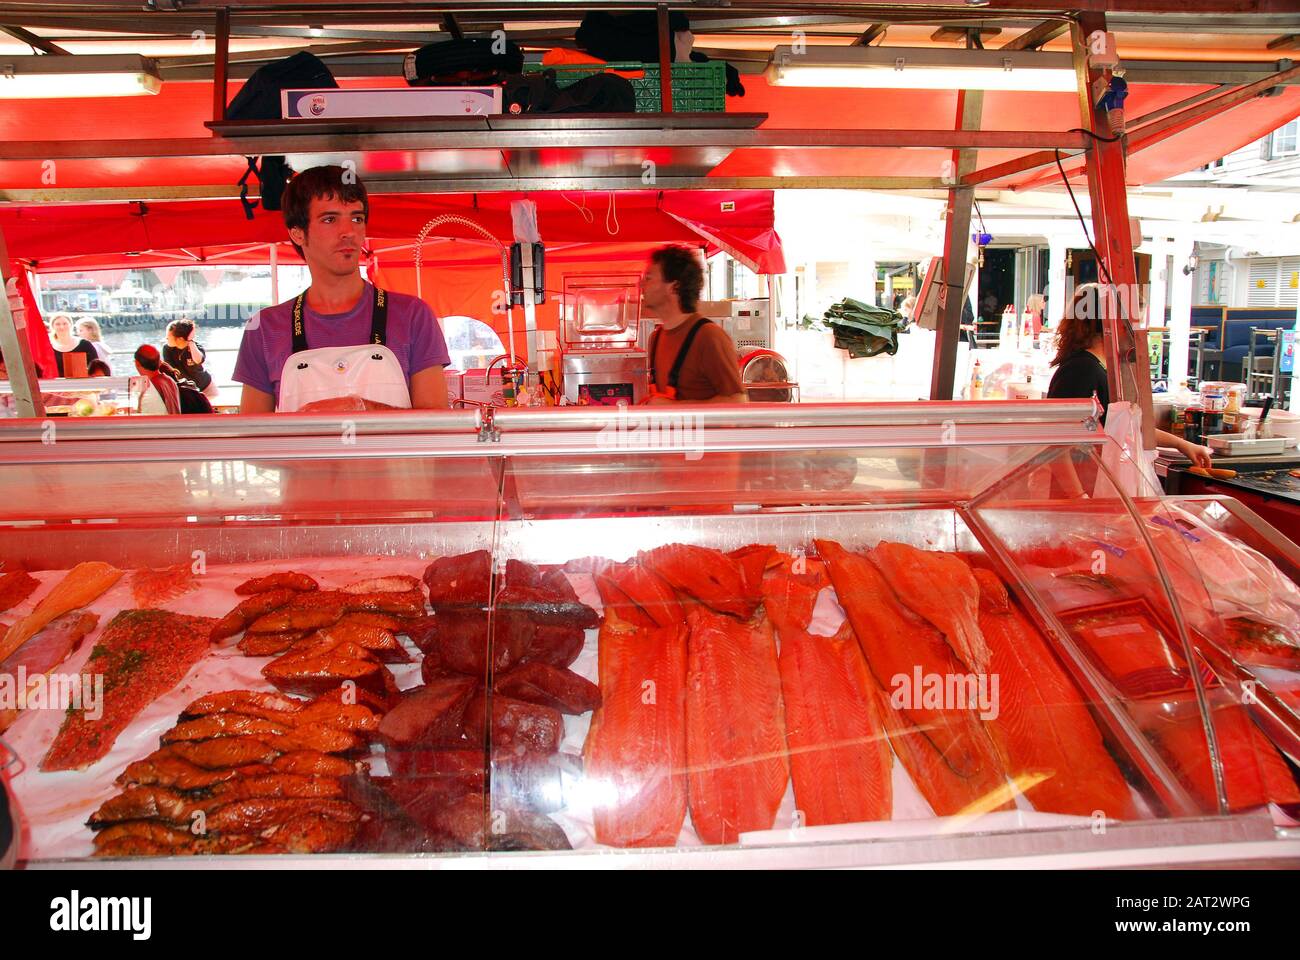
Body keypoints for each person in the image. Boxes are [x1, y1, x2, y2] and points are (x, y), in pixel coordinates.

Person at [233, 165, 451, 413]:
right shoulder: (263, 328)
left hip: (391, 454)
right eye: (330, 219)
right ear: (297, 233)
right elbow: (254, 439)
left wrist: (362, 408)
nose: (348, 232)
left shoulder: (413, 315)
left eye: (356, 218)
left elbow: (436, 426)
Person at [1047, 284, 1211, 467]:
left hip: (1098, 481)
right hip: (1083, 485)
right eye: (1135, 324)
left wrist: (1182, 445)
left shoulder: (1101, 368)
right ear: (1113, 323)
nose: (1137, 332)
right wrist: (1078, 495)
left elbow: (1130, 425)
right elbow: (1060, 445)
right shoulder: (1081, 370)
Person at [642, 245, 746, 404]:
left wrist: (674, 408)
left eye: (649, 278)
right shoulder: (655, 338)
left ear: (673, 287)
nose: (642, 285)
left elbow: (738, 401)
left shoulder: (709, 337)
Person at [163, 319, 217, 398]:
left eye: (168, 336)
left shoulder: (196, 347)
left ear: (180, 338)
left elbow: (198, 360)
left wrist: (190, 342)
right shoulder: (167, 349)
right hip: (187, 391)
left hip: (206, 387)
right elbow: (171, 371)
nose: (166, 338)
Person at [134, 344, 180, 415]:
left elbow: (145, 422)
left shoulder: (150, 391)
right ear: (159, 362)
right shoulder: (170, 380)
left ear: (137, 363)